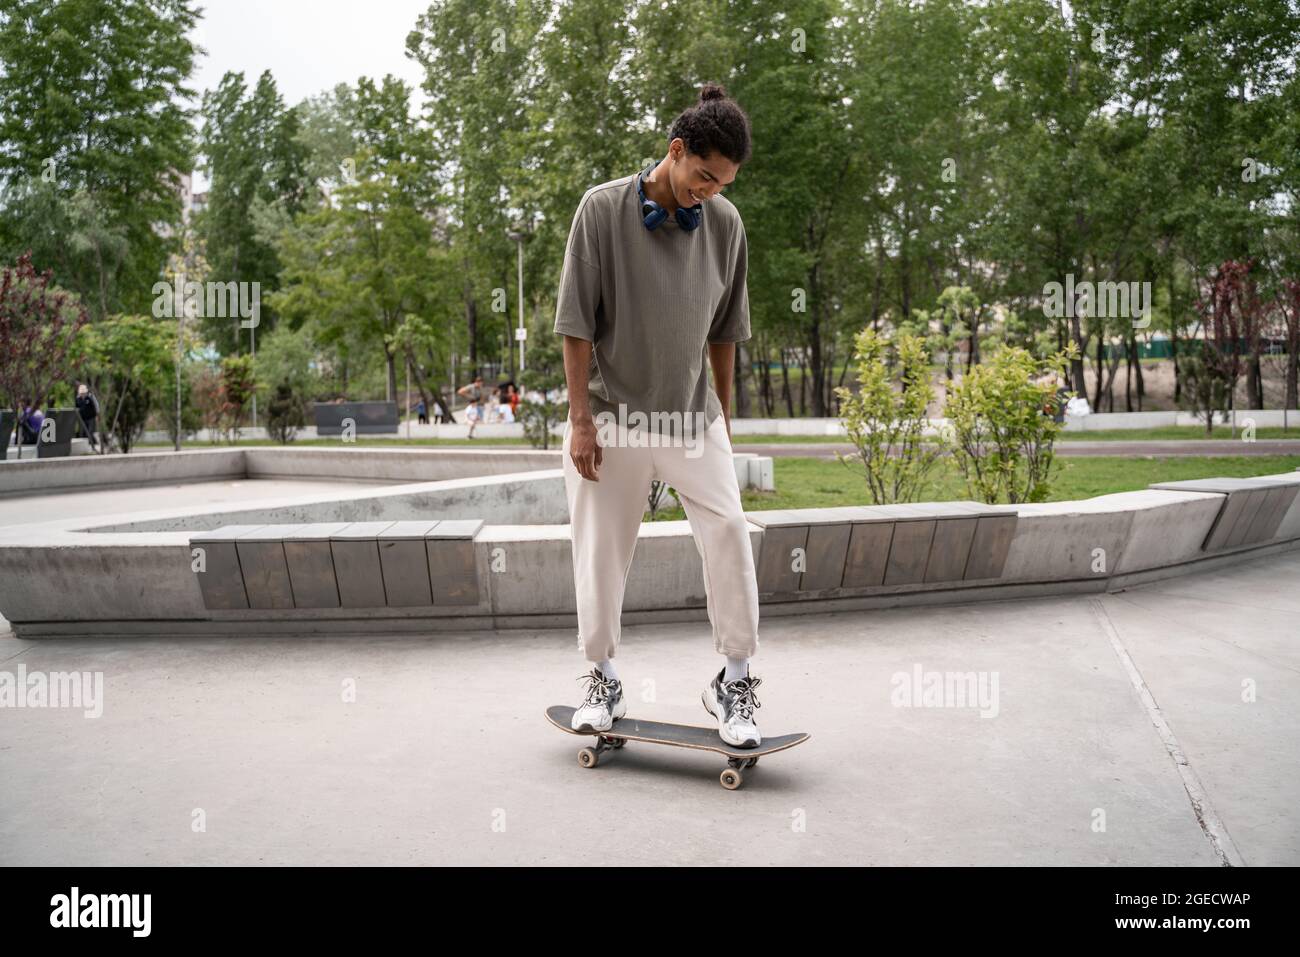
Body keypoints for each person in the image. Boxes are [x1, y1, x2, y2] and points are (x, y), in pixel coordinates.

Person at [554, 84, 762, 747]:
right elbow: (575, 324)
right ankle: (601, 674)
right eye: (704, 175)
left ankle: (735, 679)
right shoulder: (600, 210)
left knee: (729, 528)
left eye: (723, 182)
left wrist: (724, 416)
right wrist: (580, 418)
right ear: (675, 152)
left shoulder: (725, 224)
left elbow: (725, 331)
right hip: (613, 415)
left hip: (691, 416)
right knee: (601, 550)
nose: (711, 190)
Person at [75, 383, 101, 451]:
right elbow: (77, 408)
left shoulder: (90, 397)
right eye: (81, 393)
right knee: (82, 433)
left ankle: (92, 447)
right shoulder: (78, 399)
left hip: (91, 418)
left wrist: (97, 415)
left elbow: (96, 406)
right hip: (83, 419)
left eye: (84, 393)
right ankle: (84, 448)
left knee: (90, 432)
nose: (82, 394)